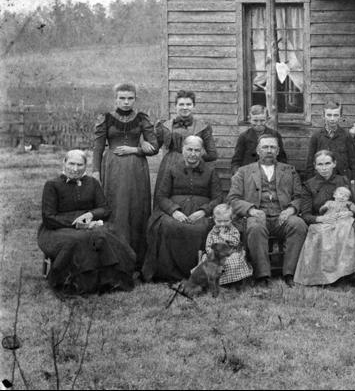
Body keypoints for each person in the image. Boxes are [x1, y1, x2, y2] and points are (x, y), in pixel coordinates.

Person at [38, 149, 137, 294]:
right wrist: (76, 223)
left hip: (90, 225)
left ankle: (110, 279)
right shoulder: (52, 185)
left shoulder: (92, 183)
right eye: (71, 164)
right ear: (64, 163)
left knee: (106, 235)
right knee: (78, 239)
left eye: (80, 165)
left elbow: (105, 209)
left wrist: (91, 214)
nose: (75, 169)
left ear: (86, 166)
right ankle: (75, 283)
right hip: (56, 229)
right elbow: (49, 217)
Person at [90, 82, 159, 268]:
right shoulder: (105, 119)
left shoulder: (142, 118)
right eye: (122, 98)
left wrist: (136, 149)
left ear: (135, 99)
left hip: (136, 168)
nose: (126, 102)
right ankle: (115, 257)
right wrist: (96, 171)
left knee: (136, 208)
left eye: (130, 98)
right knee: (116, 207)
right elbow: (97, 147)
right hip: (112, 167)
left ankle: (137, 258)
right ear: (115, 99)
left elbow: (154, 148)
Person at [226, 133, 308, 288]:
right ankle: (262, 275)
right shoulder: (243, 171)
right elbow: (232, 199)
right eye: (265, 147)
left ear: (278, 151)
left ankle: (290, 273)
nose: (269, 150)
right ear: (258, 150)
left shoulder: (289, 170)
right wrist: (251, 210)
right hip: (257, 215)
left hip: (282, 217)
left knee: (298, 224)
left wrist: (291, 209)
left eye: (272, 147)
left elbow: (300, 196)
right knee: (255, 227)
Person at [145, 134, 221, 283]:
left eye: (197, 150)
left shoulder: (210, 171)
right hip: (175, 212)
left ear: (202, 152)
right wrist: (174, 211)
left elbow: (218, 198)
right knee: (167, 225)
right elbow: (161, 196)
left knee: (201, 229)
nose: (193, 154)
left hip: (200, 213)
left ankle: (198, 272)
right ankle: (168, 273)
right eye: (189, 149)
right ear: (183, 150)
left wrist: (203, 211)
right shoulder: (172, 169)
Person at [292, 184, 355, 287]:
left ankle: (340, 274)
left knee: (342, 234)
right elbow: (321, 211)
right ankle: (317, 274)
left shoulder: (348, 204)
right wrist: (324, 208)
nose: (342, 197)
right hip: (328, 220)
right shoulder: (330, 203)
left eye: (345, 196)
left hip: (342, 222)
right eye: (340, 194)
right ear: (335, 194)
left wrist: (350, 213)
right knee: (317, 232)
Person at [154, 89, 216, 183]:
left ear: (193, 106)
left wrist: (194, 157)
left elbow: (213, 154)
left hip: (194, 167)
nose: (185, 107)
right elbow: (154, 148)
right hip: (170, 166)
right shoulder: (165, 126)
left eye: (188, 104)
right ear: (175, 106)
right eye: (181, 104)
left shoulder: (203, 127)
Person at [194, 202, 253, 291]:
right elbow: (208, 245)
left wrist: (224, 236)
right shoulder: (212, 232)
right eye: (219, 221)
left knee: (233, 260)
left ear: (231, 219)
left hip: (230, 253)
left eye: (226, 221)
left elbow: (235, 242)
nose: (222, 224)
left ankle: (231, 282)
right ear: (214, 219)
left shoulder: (233, 230)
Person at [304, 102, 355, 181]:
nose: (332, 119)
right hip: (322, 180)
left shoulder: (346, 136)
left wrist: (353, 180)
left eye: (335, 115)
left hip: (342, 180)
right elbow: (310, 163)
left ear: (340, 117)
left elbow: (353, 162)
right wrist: (311, 182)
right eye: (329, 115)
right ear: (323, 116)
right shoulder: (316, 136)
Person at [230, 105, 283, 172]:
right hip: (249, 174)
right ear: (249, 119)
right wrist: (238, 175)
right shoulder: (244, 137)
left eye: (262, 120)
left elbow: (282, 158)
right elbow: (236, 161)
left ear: (267, 119)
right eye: (255, 120)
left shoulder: (275, 135)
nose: (258, 124)